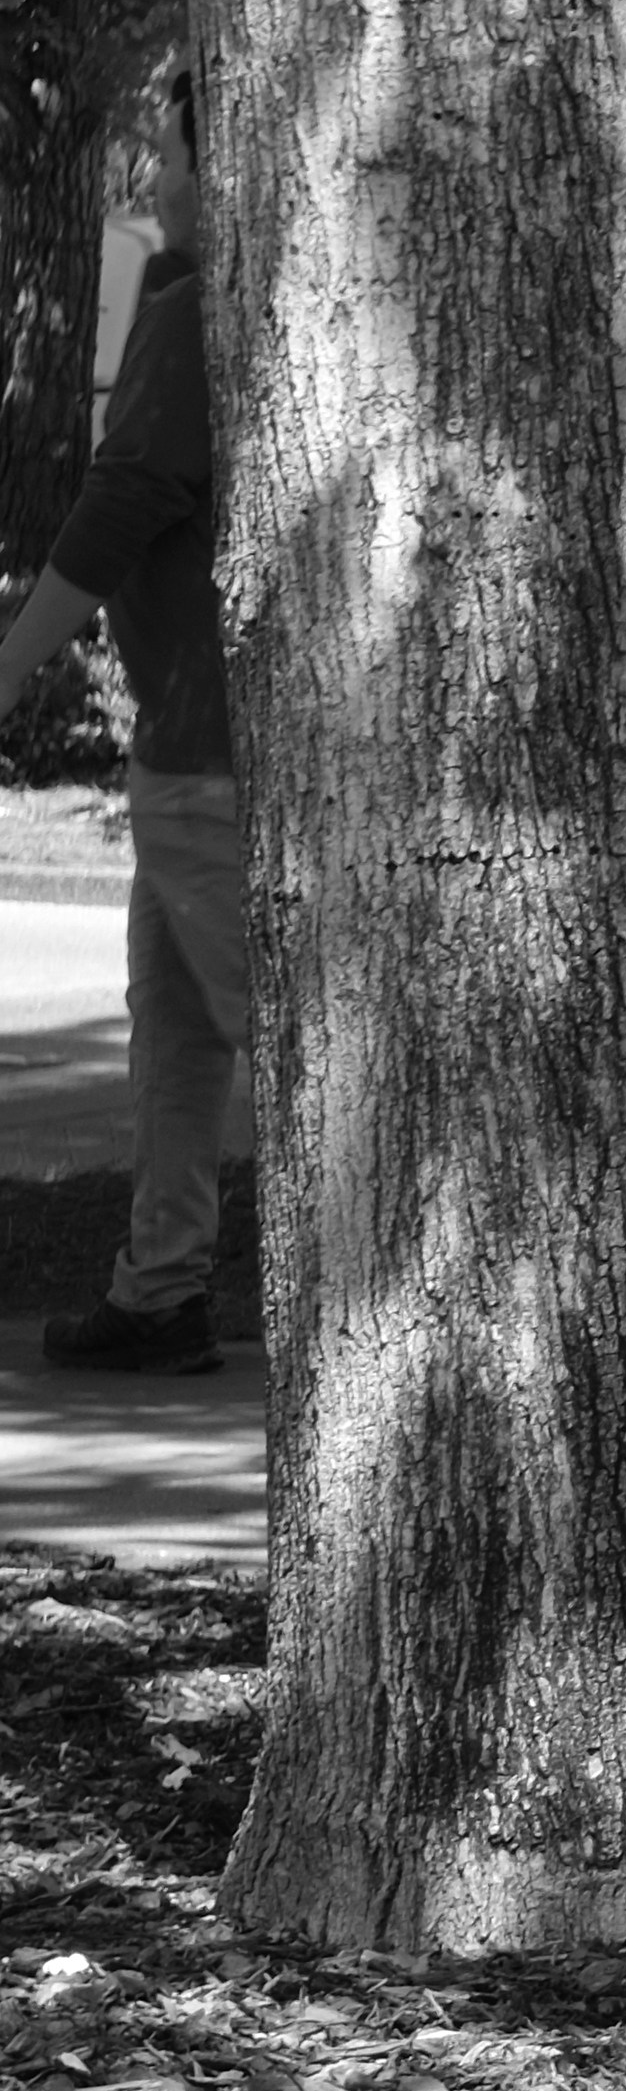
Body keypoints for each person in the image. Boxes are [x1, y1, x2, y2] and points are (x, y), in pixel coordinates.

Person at [0, 78, 247, 1374]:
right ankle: (160, 1292)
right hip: (182, 745)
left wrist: (8, 671)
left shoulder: (199, 311)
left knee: (269, 1030)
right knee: (177, 1042)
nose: (154, 186)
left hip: (208, 757)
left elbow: (118, 507)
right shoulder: (226, 307)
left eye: (168, 161)